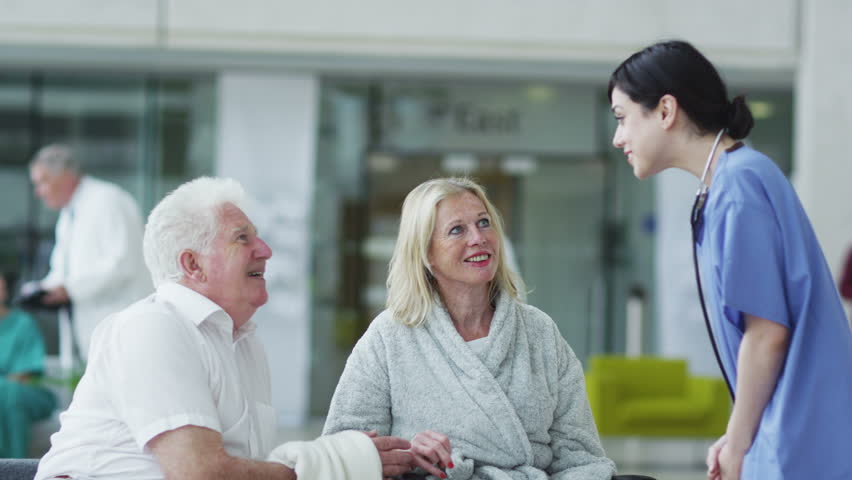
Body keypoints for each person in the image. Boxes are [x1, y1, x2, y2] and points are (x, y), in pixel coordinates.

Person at [36, 177, 413, 480]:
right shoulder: (152, 326)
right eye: (242, 238)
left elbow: (242, 466)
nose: (265, 250)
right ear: (193, 265)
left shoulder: (244, 342)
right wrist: (328, 464)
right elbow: (199, 473)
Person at [609, 40, 852, 479]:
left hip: (800, 445)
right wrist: (739, 433)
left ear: (665, 111)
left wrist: (739, 444)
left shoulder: (738, 187)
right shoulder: (735, 179)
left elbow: (767, 333)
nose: (618, 137)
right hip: (792, 434)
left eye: (622, 117)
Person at [323, 177, 617, 479]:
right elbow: (344, 454)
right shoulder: (389, 337)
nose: (478, 238)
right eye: (457, 230)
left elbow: (580, 454)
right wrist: (410, 455)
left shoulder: (539, 332)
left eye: (484, 223)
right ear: (426, 253)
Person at [29, 144, 152, 360]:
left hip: (123, 325)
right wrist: (43, 290)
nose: (38, 192)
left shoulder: (108, 200)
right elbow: (63, 269)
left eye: (43, 182)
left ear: (65, 176)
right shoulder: (68, 214)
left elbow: (123, 264)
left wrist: (69, 289)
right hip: (92, 330)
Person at [0, 272, 56, 458]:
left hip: (26, 392)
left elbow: (25, 375)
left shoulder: (23, 324)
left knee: (8, 392)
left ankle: (13, 467)